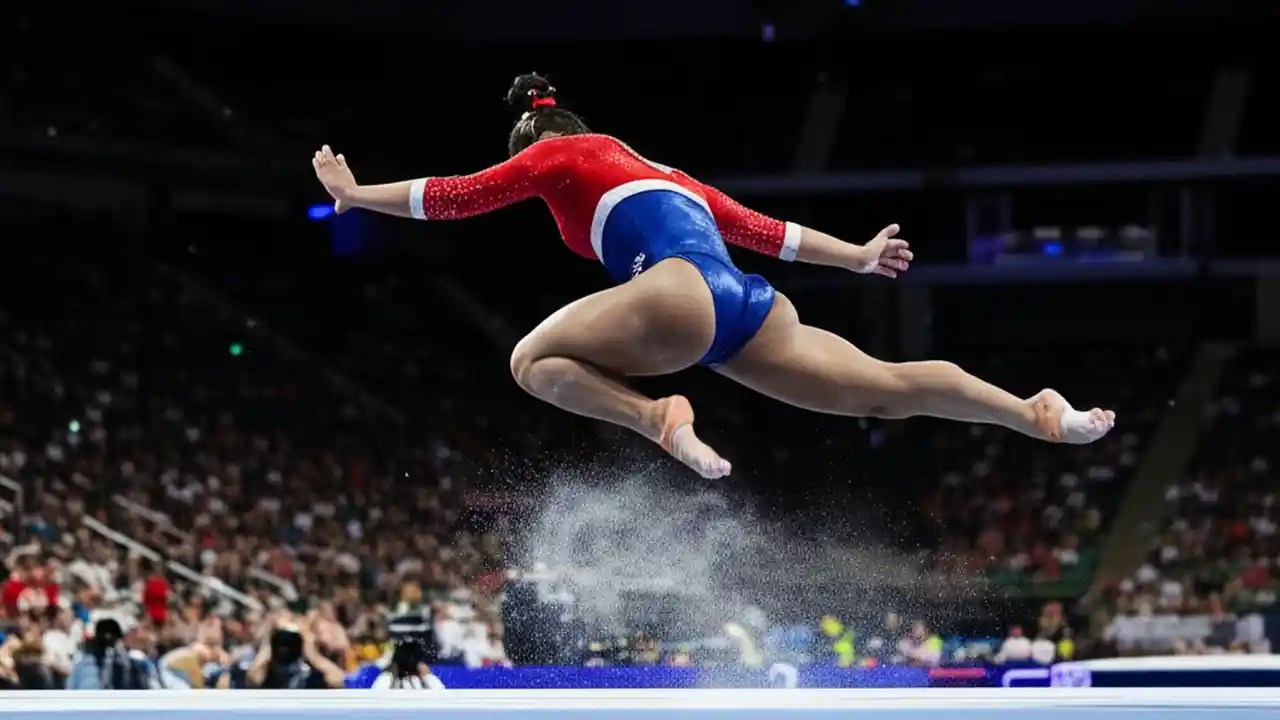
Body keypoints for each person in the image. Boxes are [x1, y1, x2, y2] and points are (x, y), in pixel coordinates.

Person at [311, 73, 1116, 479]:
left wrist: (355, 195)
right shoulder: (668, 170)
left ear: (539, 132)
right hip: (749, 308)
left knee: (531, 363)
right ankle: (1032, 410)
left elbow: (458, 197)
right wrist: (859, 255)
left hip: (676, 297)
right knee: (884, 388)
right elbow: (766, 233)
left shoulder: (554, 152)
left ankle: (658, 417)